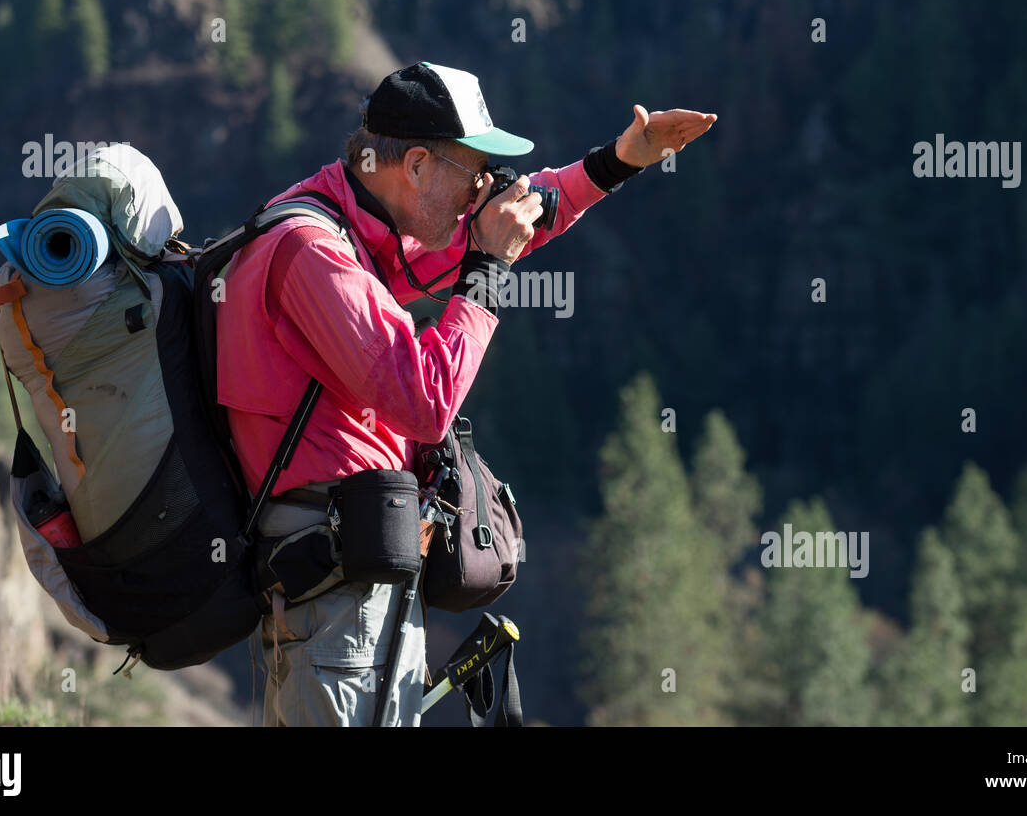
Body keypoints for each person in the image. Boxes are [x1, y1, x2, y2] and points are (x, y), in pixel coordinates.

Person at [216, 60, 716, 725]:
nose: (482, 187)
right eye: (473, 167)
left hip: (353, 565)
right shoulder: (313, 252)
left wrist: (619, 160)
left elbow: (516, 216)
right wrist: (486, 272)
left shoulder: (357, 219)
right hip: (329, 582)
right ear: (417, 165)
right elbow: (425, 401)